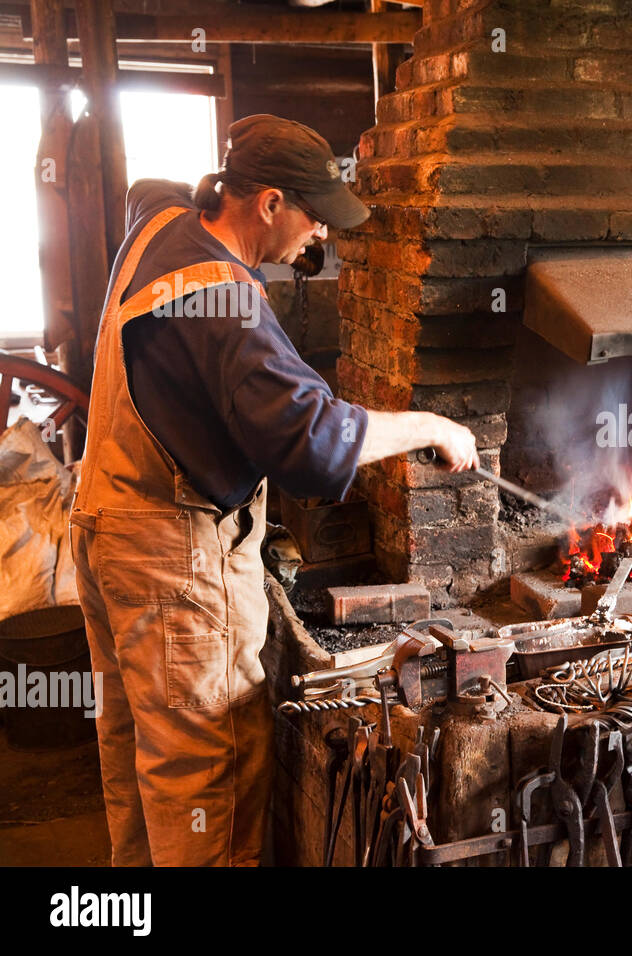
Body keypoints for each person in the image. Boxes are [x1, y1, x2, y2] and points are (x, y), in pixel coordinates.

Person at [69, 114, 478, 866]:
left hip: (103, 528)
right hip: (173, 563)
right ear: (266, 204)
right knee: (207, 779)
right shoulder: (224, 301)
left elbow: (146, 187)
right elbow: (314, 444)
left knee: (141, 756)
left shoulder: (159, 219)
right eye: (312, 215)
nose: (317, 237)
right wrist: (430, 426)